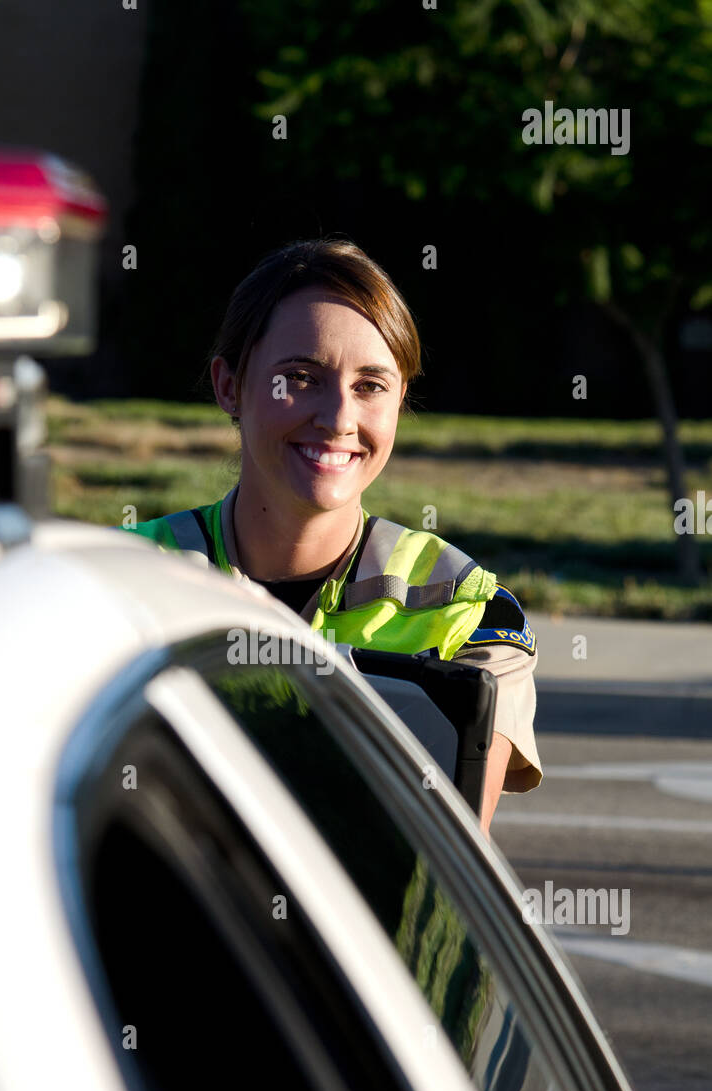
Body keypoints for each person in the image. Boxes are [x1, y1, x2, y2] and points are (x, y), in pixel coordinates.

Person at [124, 238, 541, 834]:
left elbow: (441, 868)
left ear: (400, 400)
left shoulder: (470, 609)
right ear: (229, 386)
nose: (339, 417)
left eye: (371, 385)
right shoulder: (114, 574)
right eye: (300, 377)